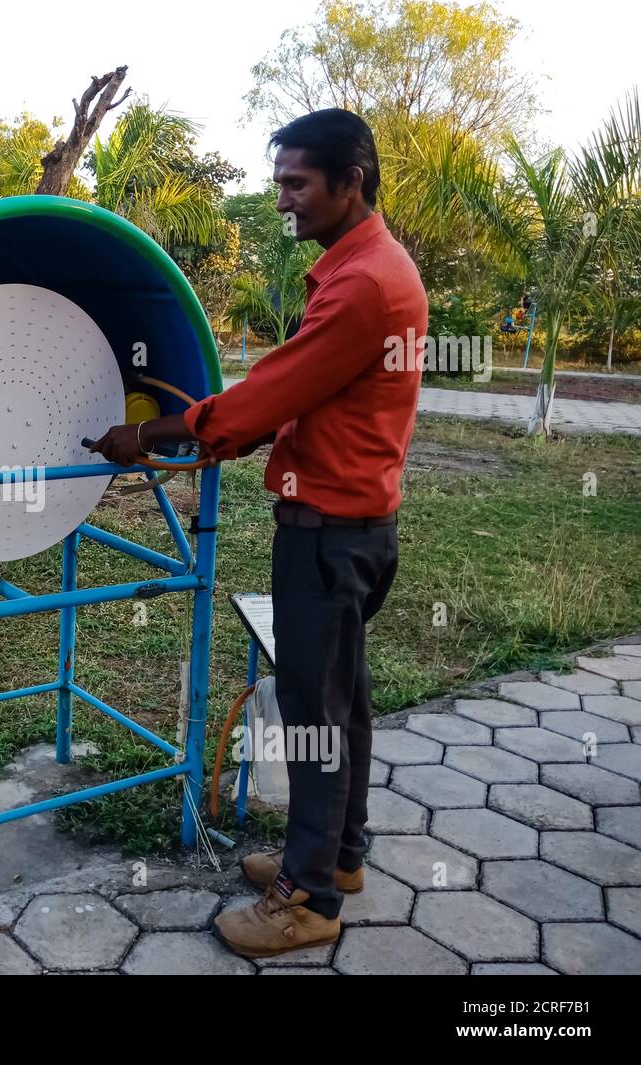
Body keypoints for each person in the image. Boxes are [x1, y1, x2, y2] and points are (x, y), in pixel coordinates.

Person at [89, 108, 428, 961]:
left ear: (351, 183)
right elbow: (297, 397)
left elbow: (264, 399)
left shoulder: (362, 287)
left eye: (297, 184)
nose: (283, 200)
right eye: (279, 183)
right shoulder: (369, 267)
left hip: (326, 534)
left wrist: (156, 433)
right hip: (358, 525)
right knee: (340, 705)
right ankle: (338, 856)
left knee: (314, 715)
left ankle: (308, 898)